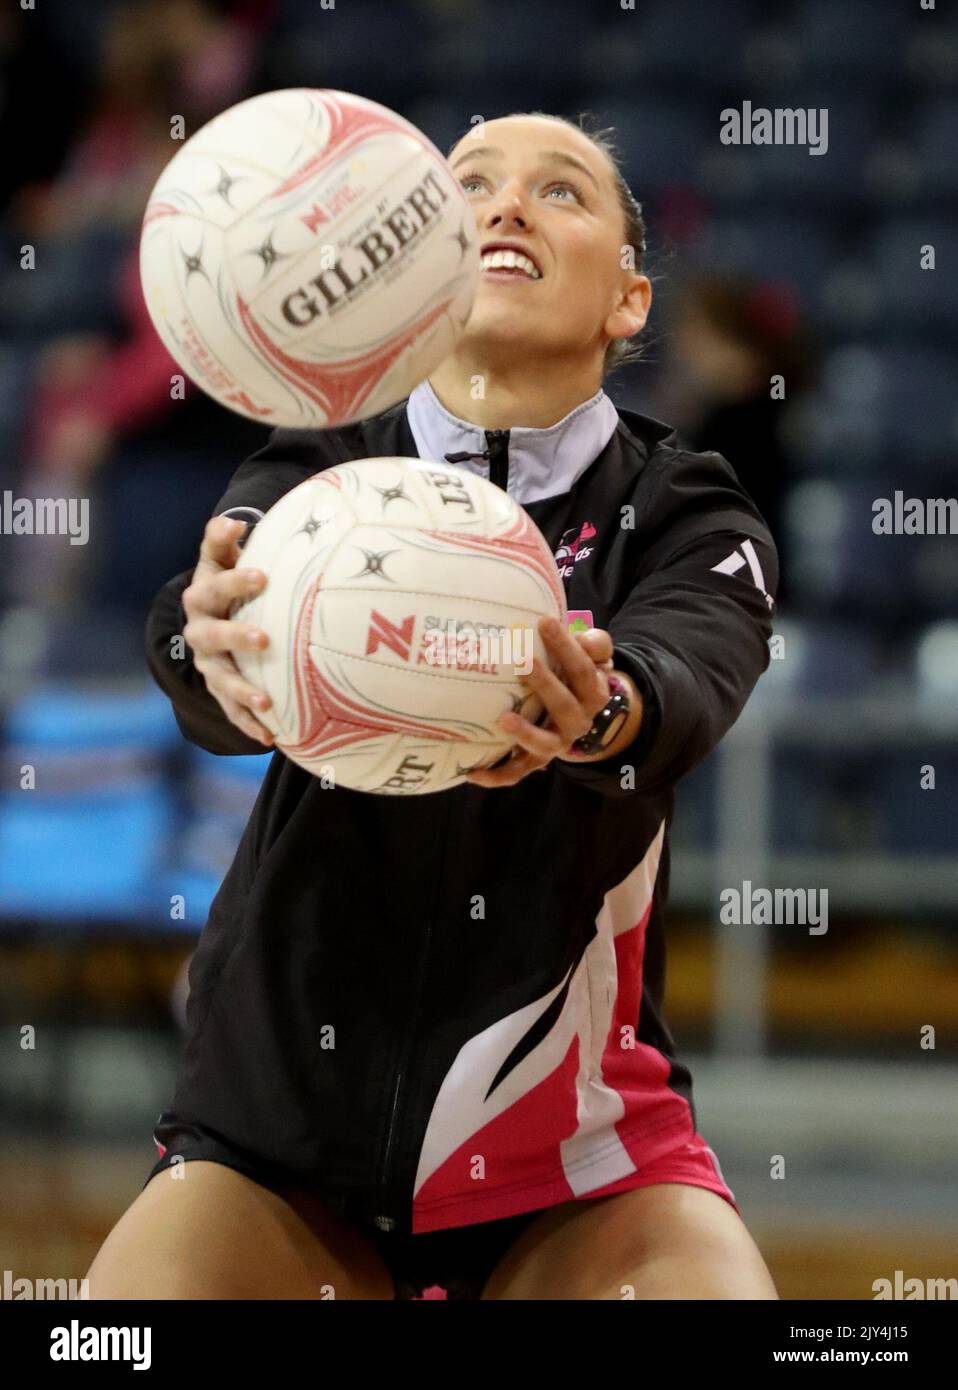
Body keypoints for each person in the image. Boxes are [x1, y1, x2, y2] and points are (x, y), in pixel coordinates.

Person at [86, 112, 780, 1300]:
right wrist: (216, 648)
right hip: (275, 1143)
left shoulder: (688, 511)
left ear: (628, 300)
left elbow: (682, 688)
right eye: (470, 188)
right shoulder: (318, 462)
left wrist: (596, 712)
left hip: (576, 1161)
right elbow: (197, 633)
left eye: (560, 192)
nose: (506, 206)